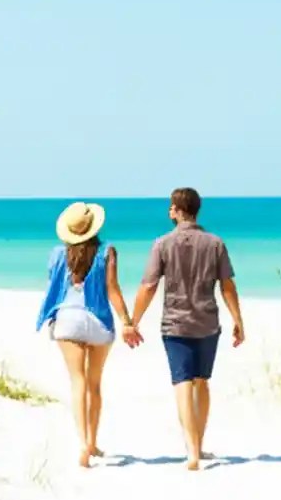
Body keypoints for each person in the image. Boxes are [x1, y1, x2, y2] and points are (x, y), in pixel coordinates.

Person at [128, 187, 244, 471]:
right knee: (202, 382)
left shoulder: (162, 244)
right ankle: (199, 446)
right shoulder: (215, 243)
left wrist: (134, 320)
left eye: (170, 207)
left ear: (179, 210)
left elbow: (149, 286)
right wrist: (238, 319)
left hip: (176, 325)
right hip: (207, 322)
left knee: (182, 384)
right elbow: (227, 285)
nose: (168, 211)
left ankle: (192, 452)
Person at [35, 201, 137, 468]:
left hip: (67, 319)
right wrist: (127, 322)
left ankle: (82, 445)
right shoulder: (107, 252)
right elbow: (113, 290)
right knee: (94, 383)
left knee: (77, 382)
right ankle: (93, 442)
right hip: (98, 321)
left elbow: (53, 287)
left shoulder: (57, 254)